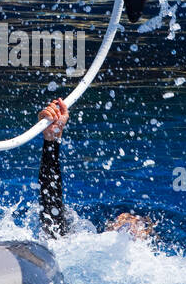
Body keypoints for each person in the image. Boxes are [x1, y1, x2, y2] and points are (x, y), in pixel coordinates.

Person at [36, 98, 154, 241]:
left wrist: (51, 142)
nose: (127, 224)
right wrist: (51, 140)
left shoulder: (81, 245)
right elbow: (52, 215)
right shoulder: (80, 242)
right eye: (125, 222)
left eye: (133, 226)